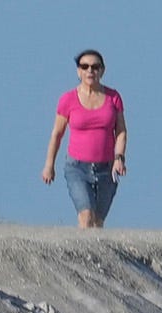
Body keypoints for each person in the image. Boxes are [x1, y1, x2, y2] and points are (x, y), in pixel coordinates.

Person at [39, 49, 126, 226]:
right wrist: (49, 165)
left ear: (102, 70)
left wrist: (119, 158)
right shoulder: (68, 99)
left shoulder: (113, 97)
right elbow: (57, 134)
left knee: (98, 222)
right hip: (77, 168)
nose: (90, 71)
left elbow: (121, 131)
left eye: (95, 67)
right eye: (84, 66)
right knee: (86, 216)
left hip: (107, 169)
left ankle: (94, 254)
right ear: (78, 71)